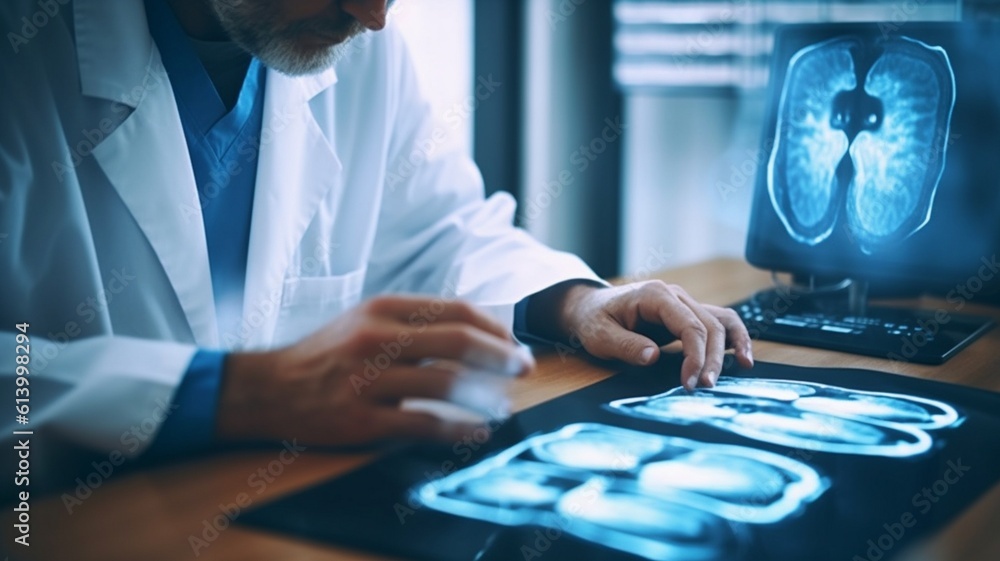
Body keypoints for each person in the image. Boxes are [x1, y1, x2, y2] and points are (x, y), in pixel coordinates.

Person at [0, 0, 753, 467]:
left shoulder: (356, 44)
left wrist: (576, 302)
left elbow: (442, 231)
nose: (374, 16)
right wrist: (237, 395)